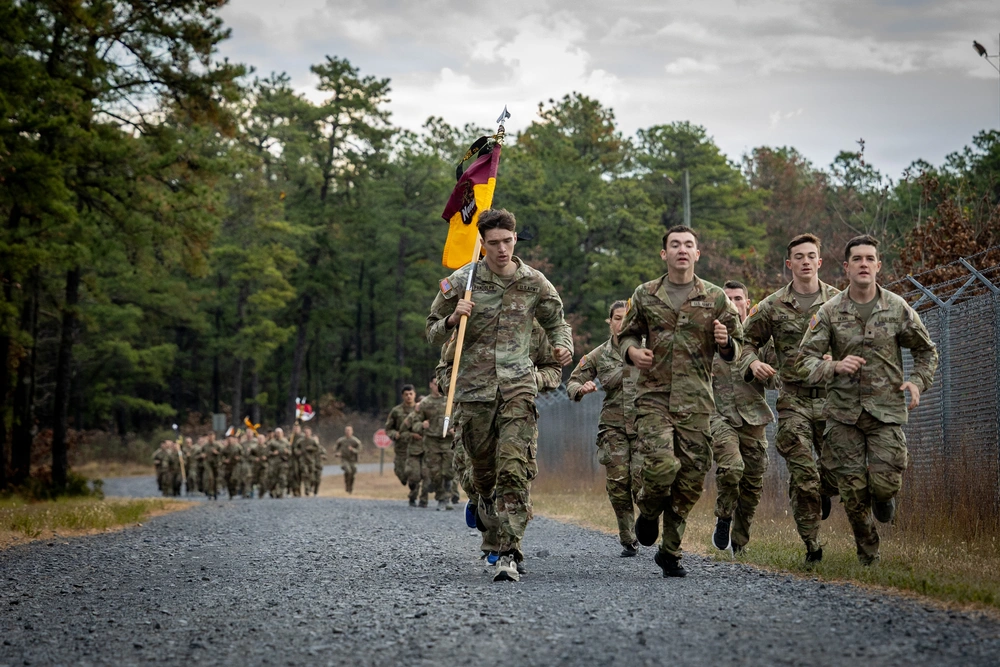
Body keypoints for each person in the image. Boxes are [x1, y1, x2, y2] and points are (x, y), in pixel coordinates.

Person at [427, 208, 573, 582]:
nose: (503, 249)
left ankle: (509, 552)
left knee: (514, 470)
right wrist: (450, 318)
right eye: (494, 243)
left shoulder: (534, 282)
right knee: (481, 476)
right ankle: (481, 503)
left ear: (515, 238)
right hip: (474, 392)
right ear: (483, 244)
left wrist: (561, 347)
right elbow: (430, 331)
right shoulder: (464, 281)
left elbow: (557, 322)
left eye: (508, 241)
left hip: (518, 387)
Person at [798, 235, 938, 565]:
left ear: (878, 266)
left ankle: (885, 498)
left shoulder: (897, 307)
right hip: (844, 415)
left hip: (886, 411)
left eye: (869, 258)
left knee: (885, 485)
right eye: (857, 259)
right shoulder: (830, 312)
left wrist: (917, 382)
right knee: (852, 491)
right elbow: (803, 359)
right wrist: (833, 366)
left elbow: (926, 351)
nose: (863, 264)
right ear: (846, 268)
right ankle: (869, 555)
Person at [617, 225, 742, 578]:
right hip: (654, 396)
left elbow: (737, 344)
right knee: (661, 468)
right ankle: (649, 510)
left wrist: (724, 342)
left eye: (688, 245)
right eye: (675, 245)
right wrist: (631, 351)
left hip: (696, 402)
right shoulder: (645, 294)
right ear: (664, 254)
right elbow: (625, 333)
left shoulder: (716, 297)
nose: (682, 250)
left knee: (689, 480)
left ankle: (670, 552)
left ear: (697, 254)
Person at [742, 233, 840, 564]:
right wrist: (753, 362)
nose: (805, 261)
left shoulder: (839, 302)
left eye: (811, 255)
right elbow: (746, 340)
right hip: (793, 400)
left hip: (833, 400)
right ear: (790, 264)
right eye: (799, 256)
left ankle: (826, 490)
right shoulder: (772, 306)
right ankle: (812, 546)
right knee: (803, 474)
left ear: (820, 261)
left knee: (836, 472)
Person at [567, 300, 642, 557]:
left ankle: (647, 523)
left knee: (646, 484)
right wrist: (581, 389)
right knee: (619, 484)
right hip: (614, 427)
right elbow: (574, 381)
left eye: (628, 318)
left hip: (648, 426)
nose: (622, 323)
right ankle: (628, 538)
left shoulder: (649, 350)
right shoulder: (599, 354)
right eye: (618, 318)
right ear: (610, 322)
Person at [709, 281, 779, 554]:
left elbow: (778, 380)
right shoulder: (709, 338)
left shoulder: (760, 340)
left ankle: (739, 543)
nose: (734, 303)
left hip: (753, 419)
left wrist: (767, 372)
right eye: (727, 299)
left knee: (751, 486)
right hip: (718, 416)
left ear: (748, 304)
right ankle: (724, 515)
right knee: (732, 467)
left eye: (738, 298)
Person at [409, 379, 454, 510]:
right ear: (430, 385)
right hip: (432, 442)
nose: (437, 386)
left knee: (449, 471)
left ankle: (448, 493)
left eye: (441, 382)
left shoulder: (451, 400)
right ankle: (442, 498)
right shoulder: (424, 403)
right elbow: (414, 423)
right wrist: (421, 425)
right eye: (435, 383)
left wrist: (456, 429)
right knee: (435, 473)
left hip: (448, 442)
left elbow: (461, 417)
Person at [385, 386, 418, 487]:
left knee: (415, 472)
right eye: (406, 394)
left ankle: (414, 486)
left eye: (410, 394)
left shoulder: (420, 409)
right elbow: (388, 428)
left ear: (414, 395)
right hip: (401, 447)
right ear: (402, 396)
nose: (409, 396)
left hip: (416, 446)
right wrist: (394, 434)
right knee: (401, 472)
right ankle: (403, 478)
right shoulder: (396, 411)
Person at [334, 426, 361, 494]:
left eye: (349, 430)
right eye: (346, 430)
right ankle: (347, 485)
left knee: (353, 473)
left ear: (352, 431)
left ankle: (350, 487)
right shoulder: (341, 440)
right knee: (348, 471)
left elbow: (359, 449)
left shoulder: (355, 441)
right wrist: (337, 453)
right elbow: (335, 448)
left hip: (352, 460)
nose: (347, 432)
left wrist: (353, 450)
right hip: (344, 459)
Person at [266, 428, 291, 498]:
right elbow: (266, 452)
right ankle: (272, 490)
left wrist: (287, 452)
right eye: (277, 433)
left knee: (282, 478)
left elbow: (290, 452)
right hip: (273, 463)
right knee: (273, 479)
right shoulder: (271, 442)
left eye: (280, 433)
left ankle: (280, 492)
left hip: (283, 462)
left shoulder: (286, 442)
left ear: (282, 434)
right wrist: (273, 453)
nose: (278, 434)